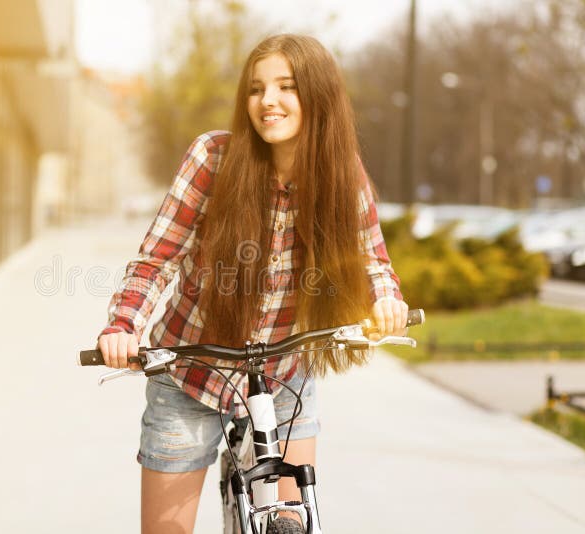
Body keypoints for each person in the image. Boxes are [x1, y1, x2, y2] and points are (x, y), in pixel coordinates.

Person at [97, 33, 408, 533]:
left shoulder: (341, 174)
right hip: (190, 374)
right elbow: (157, 259)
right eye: (256, 89)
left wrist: (386, 300)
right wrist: (122, 325)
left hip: (284, 377)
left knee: (291, 521)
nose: (268, 101)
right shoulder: (214, 158)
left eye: (287, 87)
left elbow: (373, 262)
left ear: (318, 96)